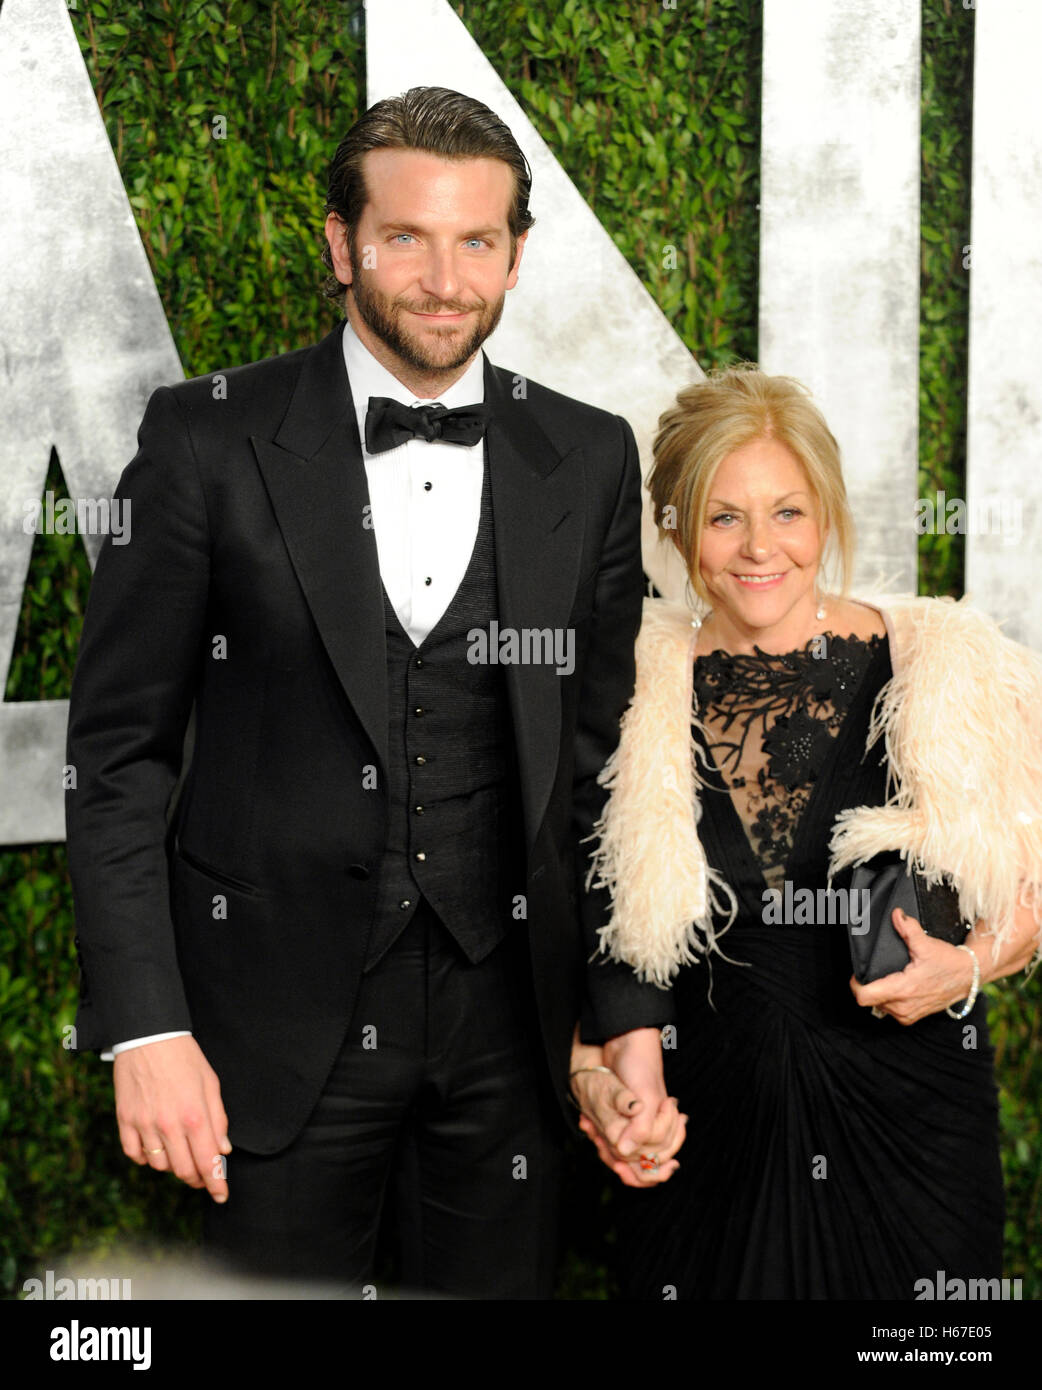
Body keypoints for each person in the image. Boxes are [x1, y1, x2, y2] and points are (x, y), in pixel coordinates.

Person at [64, 85, 683, 1300]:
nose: (445, 280)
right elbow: (118, 754)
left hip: (509, 1033)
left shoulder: (592, 454)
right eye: (406, 236)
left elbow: (607, 774)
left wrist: (624, 1022)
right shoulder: (205, 441)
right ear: (342, 245)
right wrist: (143, 1027)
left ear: (515, 254)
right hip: (265, 1032)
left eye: (477, 241)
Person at [570, 365, 1042, 1298]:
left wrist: (970, 965)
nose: (759, 549)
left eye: (787, 512)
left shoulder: (941, 667)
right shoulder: (621, 691)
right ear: (675, 528)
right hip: (703, 1124)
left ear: (826, 516)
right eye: (722, 516)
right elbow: (580, 918)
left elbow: (1028, 890)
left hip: (913, 1126)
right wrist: (598, 1075)